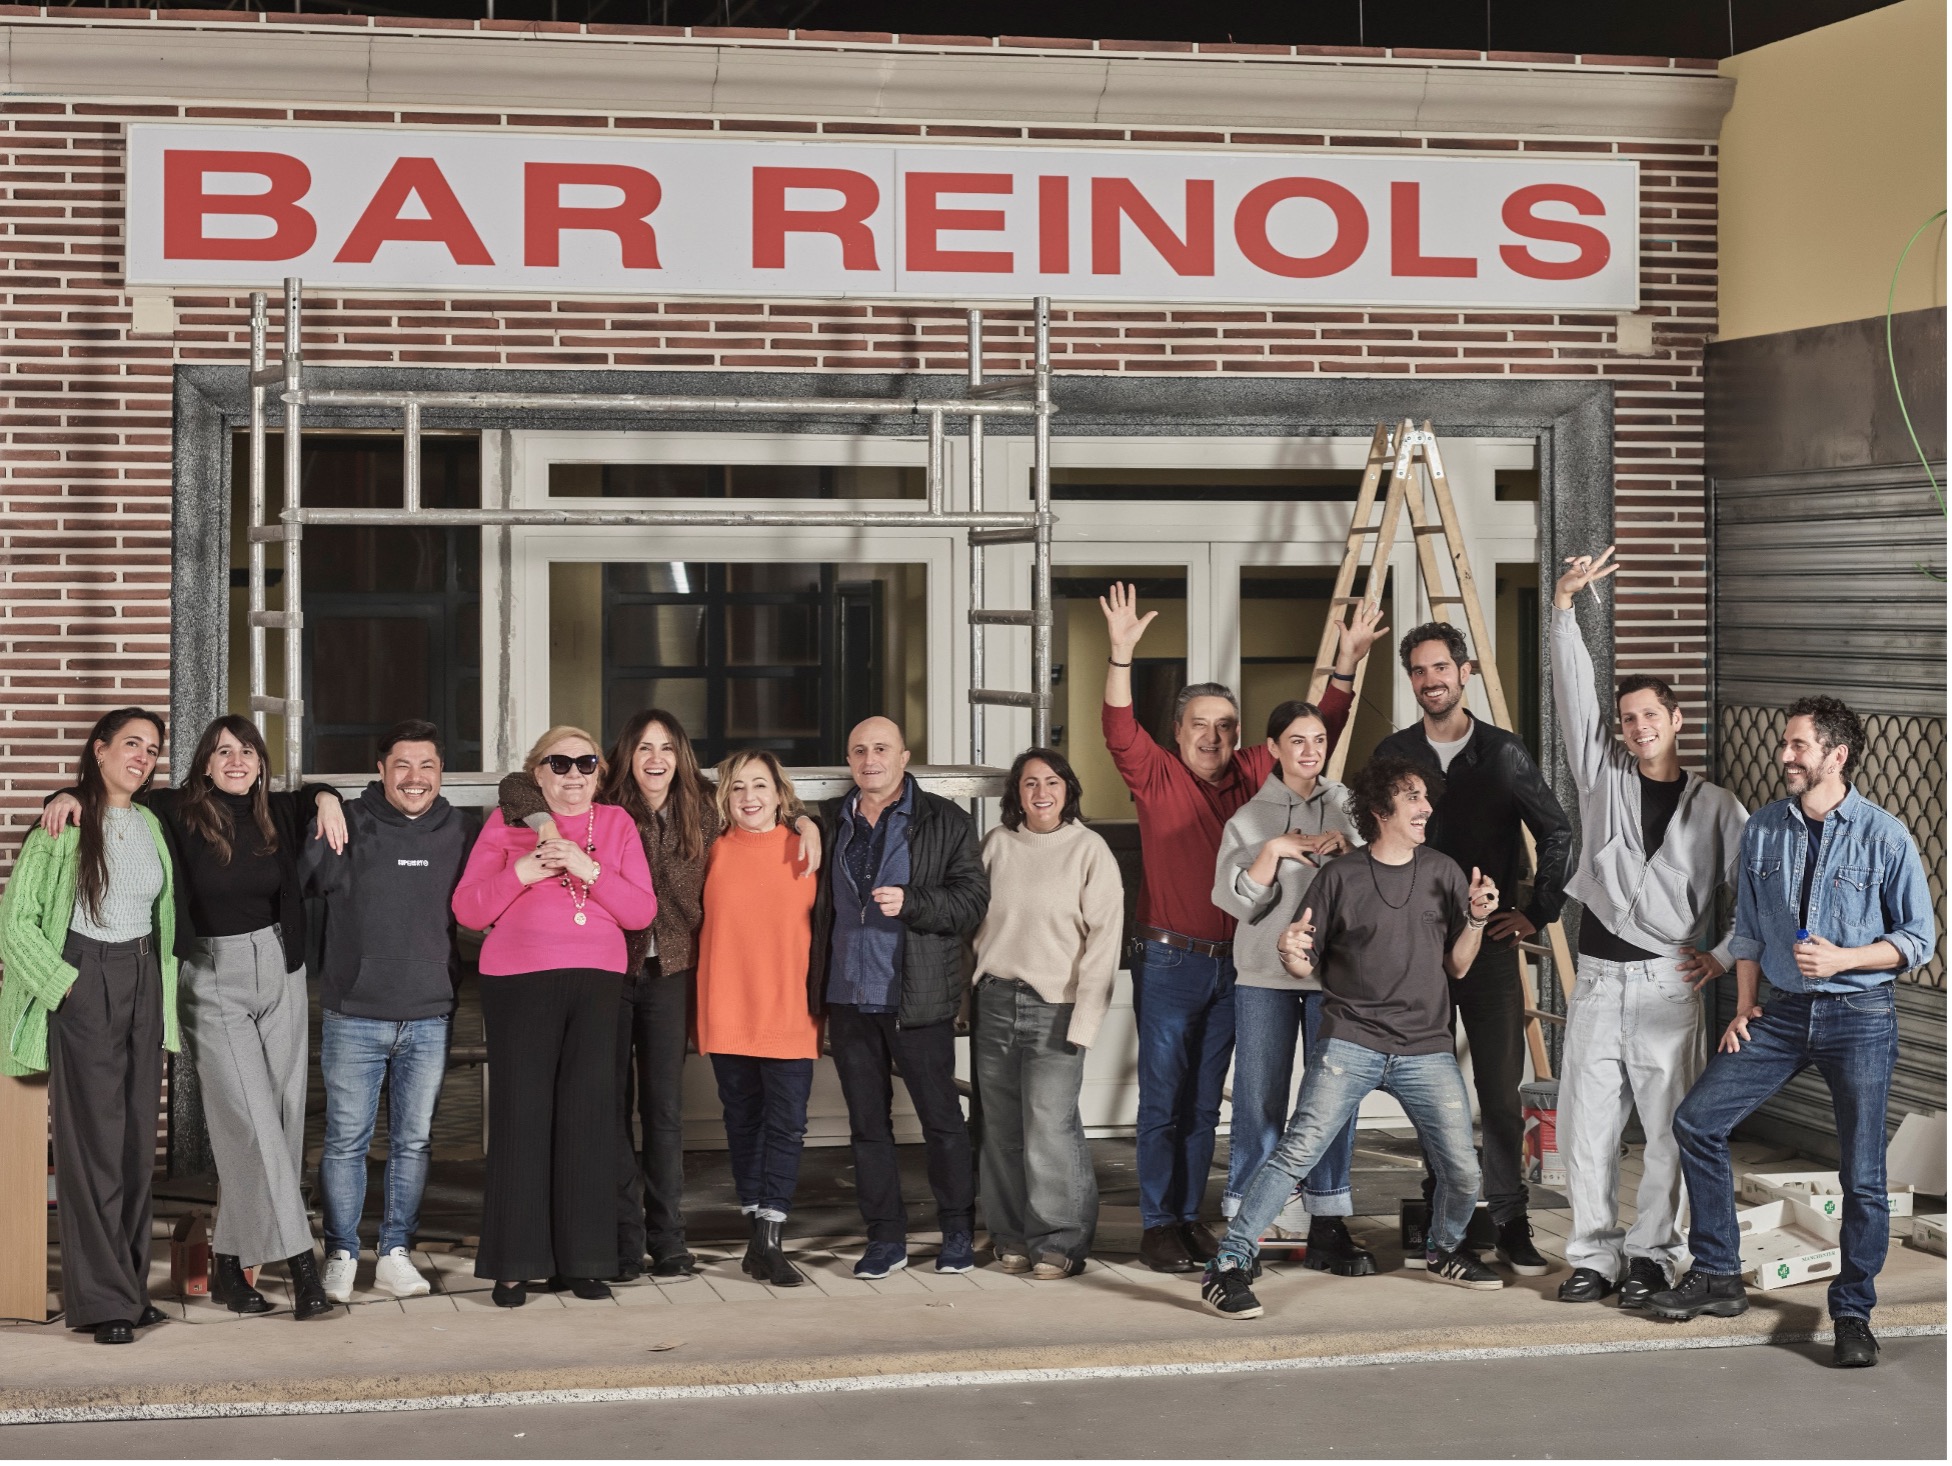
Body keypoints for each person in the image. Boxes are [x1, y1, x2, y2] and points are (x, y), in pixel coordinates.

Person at [1098, 582, 1377, 1273]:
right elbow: (1116, 727)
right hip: (1170, 962)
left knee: (1206, 1105)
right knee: (1165, 1097)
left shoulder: (1255, 773)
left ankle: (1194, 1216)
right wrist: (1121, 654)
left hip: (1240, 964)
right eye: (1201, 724)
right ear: (1178, 731)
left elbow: (1317, 733)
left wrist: (1346, 665)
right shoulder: (1155, 775)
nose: (1215, 736)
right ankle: (1161, 1223)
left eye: (1226, 725)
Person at [1650, 697, 1935, 1369]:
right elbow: (1748, 929)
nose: (1785, 755)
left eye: (1798, 746)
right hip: (1779, 1013)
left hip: (1860, 1016)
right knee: (1697, 1120)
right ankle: (1719, 1272)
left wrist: (1844, 958)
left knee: (1862, 1175)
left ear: (1835, 756)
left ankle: (1852, 1311)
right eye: (1786, 744)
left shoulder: (1884, 835)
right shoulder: (1766, 831)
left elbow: (1918, 940)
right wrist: (1744, 1007)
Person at [42, 714, 349, 1321]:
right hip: (213, 977)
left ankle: (230, 1266)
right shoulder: (173, 812)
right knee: (254, 1123)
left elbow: (309, 795)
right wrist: (66, 794)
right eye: (222, 752)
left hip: (282, 972)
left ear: (261, 763)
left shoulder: (278, 811)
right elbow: (111, 793)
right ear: (203, 764)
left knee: (281, 1121)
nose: (236, 761)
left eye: (248, 752)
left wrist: (329, 797)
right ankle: (304, 1265)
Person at [499, 710, 819, 1282]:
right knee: (611, 1106)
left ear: (681, 756)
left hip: (671, 970)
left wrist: (805, 820)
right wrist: (546, 823)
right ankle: (624, 1240)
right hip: (611, 970)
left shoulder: (704, 803)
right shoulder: (607, 795)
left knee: (665, 1112)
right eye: (644, 747)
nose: (655, 759)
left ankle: (669, 1239)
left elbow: (762, 800)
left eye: (666, 748)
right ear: (627, 755)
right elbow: (516, 784)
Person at [1200, 756, 1506, 1320]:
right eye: (1413, 797)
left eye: (1425, 797)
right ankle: (1229, 1263)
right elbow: (1302, 964)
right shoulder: (1338, 877)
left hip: (1426, 1047)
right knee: (1296, 1151)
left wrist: (1478, 922)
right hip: (1352, 1041)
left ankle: (1444, 1248)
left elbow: (1458, 967)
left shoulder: (1444, 871)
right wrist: (1290, 952)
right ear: (1380, 810)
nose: (1426, 808)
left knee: (1463, 1168)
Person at [1547, 549, 1749, 1309]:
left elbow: (1757, 897)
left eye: (1649, 718)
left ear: (1675, 722)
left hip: (1670, 984)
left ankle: (1652, 1255)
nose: (1636, 728)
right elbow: (1573, 701)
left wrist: (1726, 956)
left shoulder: (1720, 808)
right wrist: (1564, 611)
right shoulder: (1603, 778)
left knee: (1669, 1131)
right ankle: (1592, 1255)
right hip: (1598, 981)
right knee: (1588, 1125)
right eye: (1627, 718)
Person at [1371, 622, 1574, 1278]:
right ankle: (1443, 1216)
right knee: (1433, 1089)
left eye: (1441, 668)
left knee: (1499, 1090)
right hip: (1415, 948)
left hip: (1485, 943)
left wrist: (1537, 912)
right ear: (1412, 681)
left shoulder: (1505, 754)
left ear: (1464, 673)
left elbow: (1558, 830)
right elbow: (1369, 834)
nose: (1431, 680)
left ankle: (1512, 1221)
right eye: (1419, 671)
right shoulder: (1395, 754)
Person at [452, 726, 657, 1308]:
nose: (573, 776)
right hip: (517, 980)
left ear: (600, 773)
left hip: (596, 981)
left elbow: (642, 910)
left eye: (585, 764)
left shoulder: (615, 825)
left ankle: (584, 1260)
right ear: (537, 774)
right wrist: (525, 873)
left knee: (587, 1117)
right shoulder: (508, 824)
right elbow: (467, 908)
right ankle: (514, 1265)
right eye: (559, 764)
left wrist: (583, 866)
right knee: (522, 1117)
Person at [1, 709, 178, 1344]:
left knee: (135, 1146)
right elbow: (15, 923)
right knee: (94, 1148)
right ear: (99, 750)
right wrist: (65, 988)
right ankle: (103, 1303)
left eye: (153, 749)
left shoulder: (152, 824)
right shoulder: (63, 825)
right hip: (87, 980)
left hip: (142, 980)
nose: (143, 757)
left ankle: (128, 1289)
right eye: (131, 744)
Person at [301, 719, 480, 1305]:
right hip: (355, 1013)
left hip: (429, 1014)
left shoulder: (461, 830)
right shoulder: (346, 822)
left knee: (413, 1142)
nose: (415, 777)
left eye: (426, 765)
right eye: (402, 765)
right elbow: (301, 883)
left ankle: (396, 1251)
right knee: (347, 1141)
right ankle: (342, 1253)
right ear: (380, 770)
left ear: (441, 773)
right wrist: (321, 796)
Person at [810, 716, 989, 1279]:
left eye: (881, 748)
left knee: (941, 1121)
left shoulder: (945, 819)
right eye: (858, 749)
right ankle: (884, 1237)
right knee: (868, 1126)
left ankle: (957, 1231)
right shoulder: (831, 821)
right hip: (849, 995)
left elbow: (970, 903)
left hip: (917, 997)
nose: (870, 759)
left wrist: (913, 901)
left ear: (904, 757)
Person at [1211, 700, 1369, 1275]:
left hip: (1336, 979)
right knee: (1258, 1098)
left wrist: (1348, 851)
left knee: (1331, 1101)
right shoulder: (1248, 818)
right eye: (1297, 741)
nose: (1309, 751)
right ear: (1273, 748)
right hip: (1262, 979)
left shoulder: (1349, 807)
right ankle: (1245, 1231)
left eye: (1319, 740)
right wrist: (1274, 851)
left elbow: (1380, 883)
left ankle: (1328, 1222)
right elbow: (1233, 902)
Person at [971, 748, 1124, 1279]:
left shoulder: (1089, 850)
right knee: (1002, 1128)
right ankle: (1011, 1235)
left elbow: (1105, 943)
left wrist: (1086, 1020)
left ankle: (1060, 1240)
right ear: (1016, 793)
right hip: (994, 1002)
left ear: (1067, 790)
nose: (1041, 793)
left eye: (1052, 782)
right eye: (1030, 783)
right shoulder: (997, 846)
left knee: (1050, 1127)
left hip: (1055, 1008)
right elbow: (975, 925)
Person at [695, 750, 822, 1288]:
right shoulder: (709, 849)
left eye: (761, 785)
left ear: (779, 792)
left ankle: (769, 1234)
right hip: (727, 1005)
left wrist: (807, 820)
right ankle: (759, 1236)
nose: (750, 797)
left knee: (787, 1126)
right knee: (743, 1121)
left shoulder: (807, 845)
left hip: (791, 1009)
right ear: (725, 795)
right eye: (738, 787)